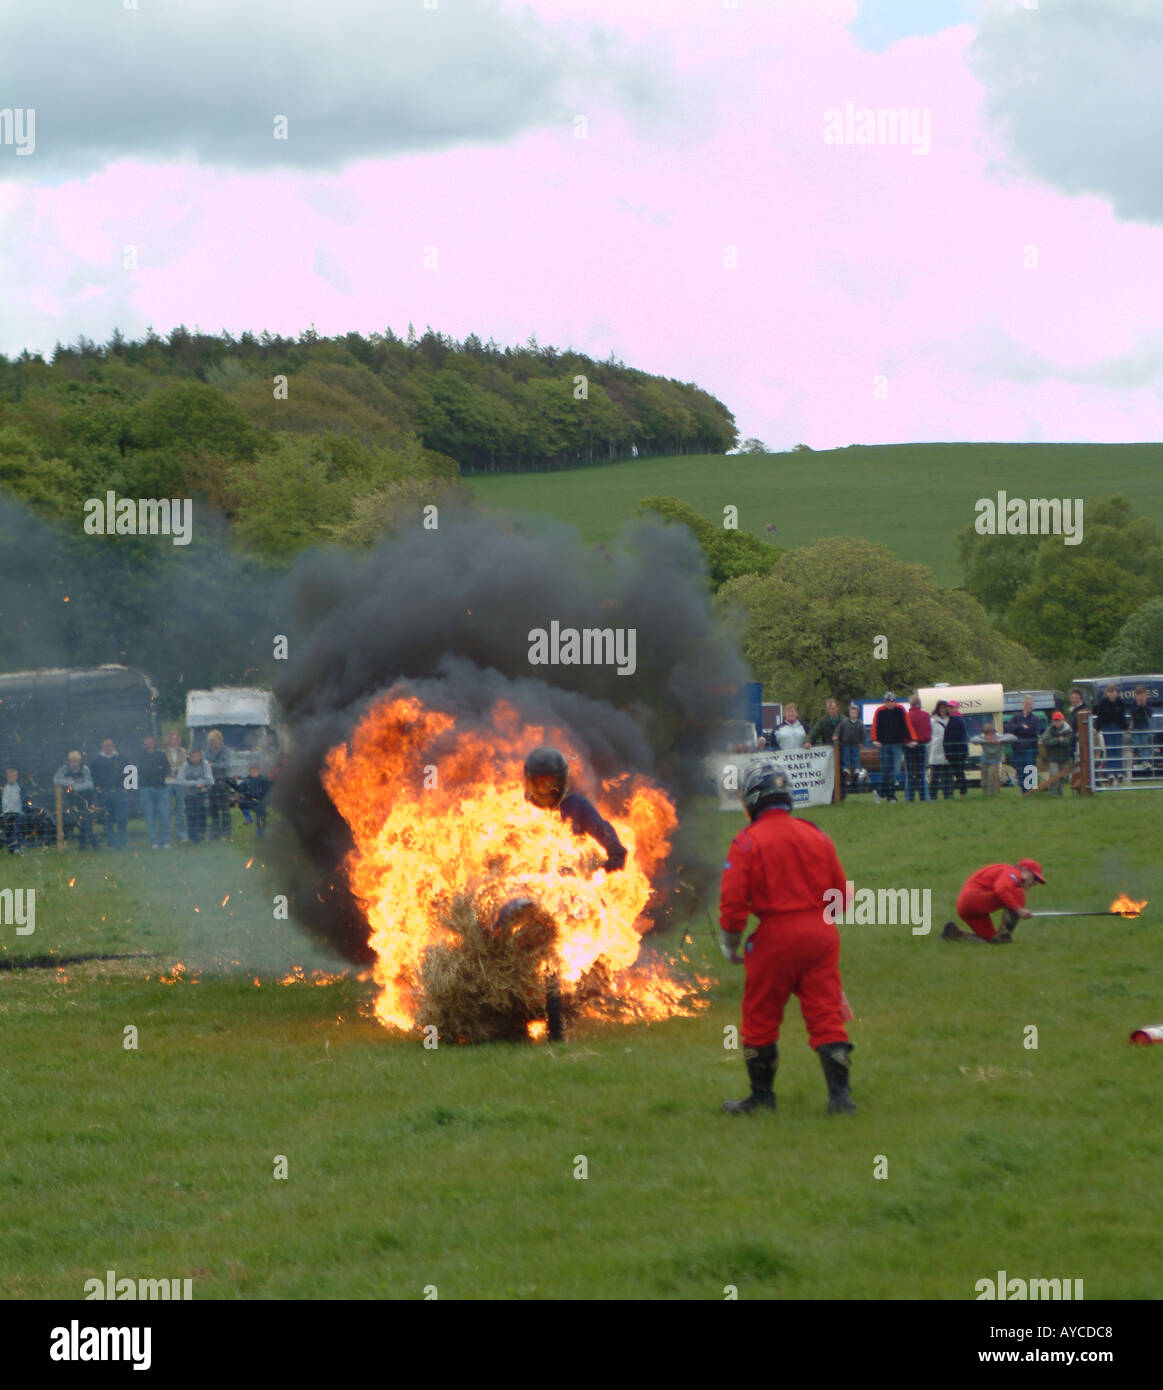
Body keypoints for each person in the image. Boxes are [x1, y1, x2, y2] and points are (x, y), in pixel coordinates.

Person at [719, 759, 855, 1115]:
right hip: (822, 934)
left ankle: (762, 1098)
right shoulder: (816, 834)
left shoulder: (747, 842)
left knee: (760, 1017)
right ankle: (840, 1099)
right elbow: (841, 893)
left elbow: (733, 903)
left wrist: (730, 944)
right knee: (826, 1013)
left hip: (775, 938)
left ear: (752, 799)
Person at [522, 746, 627, 1042]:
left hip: (569, 886)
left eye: (550, 781)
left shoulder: (577, 806)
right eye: (540, 781)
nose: (546, 788)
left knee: (593, 924)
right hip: (525, 884)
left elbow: (601, 827)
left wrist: (615, 850)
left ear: (563, 780)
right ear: (529, 782)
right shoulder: (517, 809)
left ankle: (587, 981)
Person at [941, 859, 1046, 944]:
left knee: (994, 941)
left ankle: (954, 934)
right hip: (975, 899)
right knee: (1018, 892)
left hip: (964, 906)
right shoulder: (1014, 872)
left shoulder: (1006, 870)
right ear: (1025, 870)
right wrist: (1019, 910)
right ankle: (1004, 935)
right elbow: (1000, 889)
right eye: (1035, 878)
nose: (1035, 882)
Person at [54, 751, 98, 850]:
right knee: (76, 821)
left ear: (79, 761)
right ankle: (84, 845)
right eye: (72, 762)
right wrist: (70, 783)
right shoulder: (64, 769)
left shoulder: (85, 769)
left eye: (76, 762)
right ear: (69, 761)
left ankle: (93, 845)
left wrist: (76, 787)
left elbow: (90, 784)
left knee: (86, 822)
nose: (74, 764)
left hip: (85, 800)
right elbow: (56, 779)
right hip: (71, 800)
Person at [871, 691, 910, 803]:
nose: (890, 704)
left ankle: (880, 792)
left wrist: (911, 739)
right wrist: (874, 740)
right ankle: (891, 797)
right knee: (886, 772)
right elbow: (875, 726)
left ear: (895, 701)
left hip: (897, 745)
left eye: (892, 701)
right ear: (885, 702)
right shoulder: (879, 711)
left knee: (896, 770)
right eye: (888, 701)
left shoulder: (901, 710)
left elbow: (906, 725)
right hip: (883, 745)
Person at [91, 736, 128, 849]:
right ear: (102, 746)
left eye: (110, 745)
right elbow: (92, 776)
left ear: (113, 745)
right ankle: (111, 844)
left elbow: (130, 772)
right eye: (106, 745)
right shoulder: (96, 761)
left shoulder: (122, 758)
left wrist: (128, 788)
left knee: (122, 819)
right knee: (109, 820)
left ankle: (122, 844)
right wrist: (97, 788)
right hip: (105, 794)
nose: (108, 747)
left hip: (120, 792)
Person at [137, 735, 172, 848]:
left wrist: (159, 773)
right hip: (146, 790)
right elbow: (140, 771)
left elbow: (167, 769)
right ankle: (154, 842)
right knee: (150, 816)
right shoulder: (140, 756)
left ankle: (165, 841)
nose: (149, 744)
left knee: (164, 815)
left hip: (162, 789)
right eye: (146, 742)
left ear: (154, 743)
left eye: (150, 742)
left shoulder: (161, 755)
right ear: (144, 744)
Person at [1093, 683, 1128, 785]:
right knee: (1110, 749)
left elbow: (1122, 717)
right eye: (1110, 692)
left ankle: (1120, 772)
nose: (1112, 694)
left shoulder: (1120, 703)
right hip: (1107, 727)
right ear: (1107, 693)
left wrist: (1125, 727)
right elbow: (1100, 717)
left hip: (1117, 727)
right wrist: (1097, 728)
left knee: (1118, 748)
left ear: (1116, 693)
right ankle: (1110, 773)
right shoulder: (1103, 703)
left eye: (1113, 692)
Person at [179, 747, 214, 843]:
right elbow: (180, 780)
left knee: (201, 814)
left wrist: (201, 783)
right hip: (189, 795)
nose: (195, 759)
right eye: (193, 757)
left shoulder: (205, 764)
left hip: (201, 794)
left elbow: (210, 780)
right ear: (189, 757)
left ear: (200, 756)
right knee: (190, 815)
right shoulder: (185, 766)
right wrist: (195, 784)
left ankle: (202, 833)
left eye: (197, 756)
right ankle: (192, 836)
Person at [204, 729, 234, 841]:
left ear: (220, 740)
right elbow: (205, 765)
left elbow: (225, 765)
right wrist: (216, 765)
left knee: (225, 808)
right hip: (212, 782)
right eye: (211, 741)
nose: (213, 742)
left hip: (223, 781)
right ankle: (215, 831)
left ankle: (226, 832)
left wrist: (213, 765)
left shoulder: (226, 751)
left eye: (215, 740)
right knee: (214, 808)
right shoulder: (207, 752)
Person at [1007, 696, 1040, 792]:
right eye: (1026, 704)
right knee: (1020, 769)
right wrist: (1022, 727)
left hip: (1030, 748)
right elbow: (1010, 729)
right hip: (1017, 748)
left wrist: (1018, 729)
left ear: (1033, 706)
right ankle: (1024, 790)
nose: (1028, 706)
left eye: (1030, 704)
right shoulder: (1015, 718)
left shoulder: (1035, 719)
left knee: (1030, 767)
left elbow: (1032, 731)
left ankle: (1031, 790)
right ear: (1023, 705)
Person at [904, 692, 932, 802]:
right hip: (921, 745)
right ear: (919, 704)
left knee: (909, 773)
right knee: (921, 772)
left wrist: (908, 741)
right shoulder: (925, 715)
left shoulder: (906, 716)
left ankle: (909, 798)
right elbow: (928, 733)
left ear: (910, 704)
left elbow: (904, 732)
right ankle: (924, 797)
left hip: (909, 746)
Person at [1039, 712, 1074, 796]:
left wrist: (1054, 741)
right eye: (1055, 720)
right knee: (1054, 776)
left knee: (1061, 777)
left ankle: (1060, 794)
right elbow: (1045, 742)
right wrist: (1058, 740)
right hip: (1053, 758)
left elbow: (1068, 741)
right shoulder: (1049, 730)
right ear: (1052, 721)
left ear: (1063, 720)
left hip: (1064, 758)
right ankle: (1054, 795)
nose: (1057, 722)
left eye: (1058, 720)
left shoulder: (1068, 730)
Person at [163, 730, 189, 842]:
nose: (174, 741)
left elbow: (184, 765)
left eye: (176, 739)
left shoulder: (183, 751)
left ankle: (181, 834)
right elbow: (163, 766)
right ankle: (168, 834)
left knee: (180, 810)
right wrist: (171, 770)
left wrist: (176, 770)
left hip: (179, 782)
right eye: (172, 739)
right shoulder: (163, 752)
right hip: (167, 782)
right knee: (167, 810)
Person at [834, 703, 866, 796]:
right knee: (846, 756)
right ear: (849, 713)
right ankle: (846, 769)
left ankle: (857, 769)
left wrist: (862, 742)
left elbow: (863, 733)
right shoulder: (844, 722)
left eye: (855, 713)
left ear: (857, 713)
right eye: (851, 712)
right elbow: (838, 729)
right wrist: (836, 735)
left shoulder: (860, 723)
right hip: (846, 744)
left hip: (855, 744)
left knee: (856, 757)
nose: (853, 714)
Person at [234, 764, 273, 837]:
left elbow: (268, 789)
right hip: (250, 800)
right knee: (242, 803)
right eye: (252, 772)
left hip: (261, 800)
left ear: (259, 771)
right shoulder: (247, 780)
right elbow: (241, 788)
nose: (254, 774)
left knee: (260, 816)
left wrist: (264, 798)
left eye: (256, 772)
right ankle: (249, 818)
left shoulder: (264, 779)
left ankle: (260, 831)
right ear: (250, 772)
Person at [977, 722, 1014, 795]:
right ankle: (985, 793)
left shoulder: (999, 736)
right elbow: (974, 740)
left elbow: (1013, 737)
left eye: (990, 734)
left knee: (991, 776)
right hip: (984, 759)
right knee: (984, 778)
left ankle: (991, 794)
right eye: (986, 734)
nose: (988, 736)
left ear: (993, 733)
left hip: (994, 760)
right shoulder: (982, 737)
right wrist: (985, 741)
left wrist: (1001, 740)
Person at [944, 700, 970, 796]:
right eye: (949, 707)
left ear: (956, 708)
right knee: (959, 771)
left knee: (958, 772)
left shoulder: (955, 719)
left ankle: (963, 791)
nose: (950, 709)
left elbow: (953, 736)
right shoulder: (958, 718)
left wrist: (947, 748)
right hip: (960, 750)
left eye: (952, 707)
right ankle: (962, 790)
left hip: (956, 751)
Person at [928, 700, 952, 799]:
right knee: (934, 776)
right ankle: (933, 796)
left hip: (947, 750)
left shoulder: (950, 719)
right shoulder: (932, 720)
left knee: (947, 776)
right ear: (937, 709)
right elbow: (929, 735)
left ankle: (948, 795)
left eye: (944, 708)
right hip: (936, 750)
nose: (942, 710)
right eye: (940, 708)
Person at [1130, 685, 1155, 775]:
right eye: (1138, 695)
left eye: (1142, 695)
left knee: (1145, 743)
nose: (1140, 697)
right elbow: (1132, 712)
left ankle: (1145, 761)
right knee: (1137, 744)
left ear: (1145, 695)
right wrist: (1139, 705)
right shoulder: (1133, 703)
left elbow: (1150, 714)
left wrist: (1144, 705)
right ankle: (1139, 759)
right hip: (1136, 727)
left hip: (1145, 726)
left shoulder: (1148, 703)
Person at [2, 766, 27, 854]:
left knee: (17, 830)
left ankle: (18, 847)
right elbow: (4, 801)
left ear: (16, 777)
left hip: (17, 813)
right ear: (7, 777)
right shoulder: (5, 788)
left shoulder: (20, 788)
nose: (11, 779)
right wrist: (6, 811)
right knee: (8, 831)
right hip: (7, 813)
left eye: (13, 777)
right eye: (9, 777)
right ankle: (11, 848)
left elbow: (23, 799)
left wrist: (23, 809)